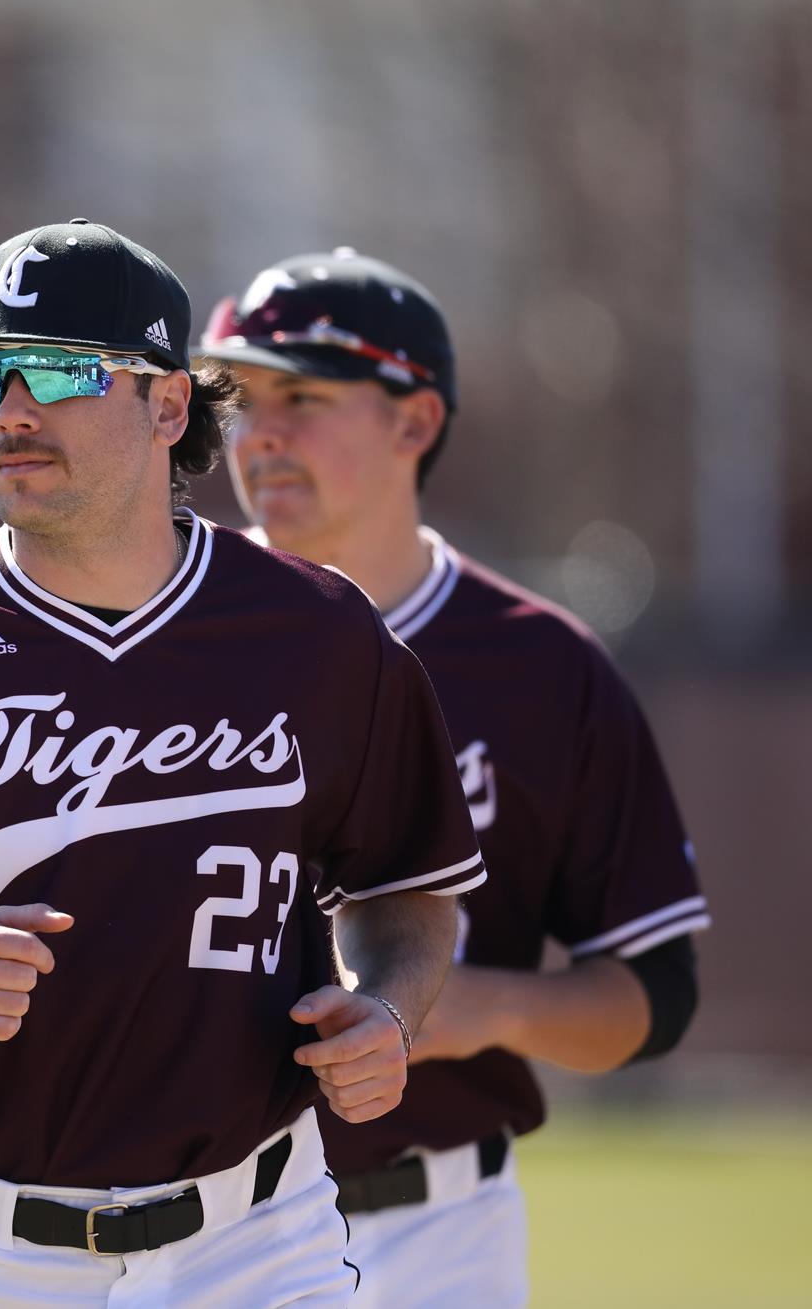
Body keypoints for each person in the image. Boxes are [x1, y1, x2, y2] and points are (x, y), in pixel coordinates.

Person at [0, 219, 486, 1308]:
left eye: (62, 369)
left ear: (168, 405)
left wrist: (387, 1011)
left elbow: (407, 893)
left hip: (258, 1243)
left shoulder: (317, 632)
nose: (11, 407)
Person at [199, 247, 710, 1307]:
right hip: (191, 1227)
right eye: (241, 397)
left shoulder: (538, 664)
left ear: (413, 421)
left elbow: (652, 994)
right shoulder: (162, 634)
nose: (262, 433)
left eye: (303, 395)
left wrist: (472, 1006)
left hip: (430, 1230)